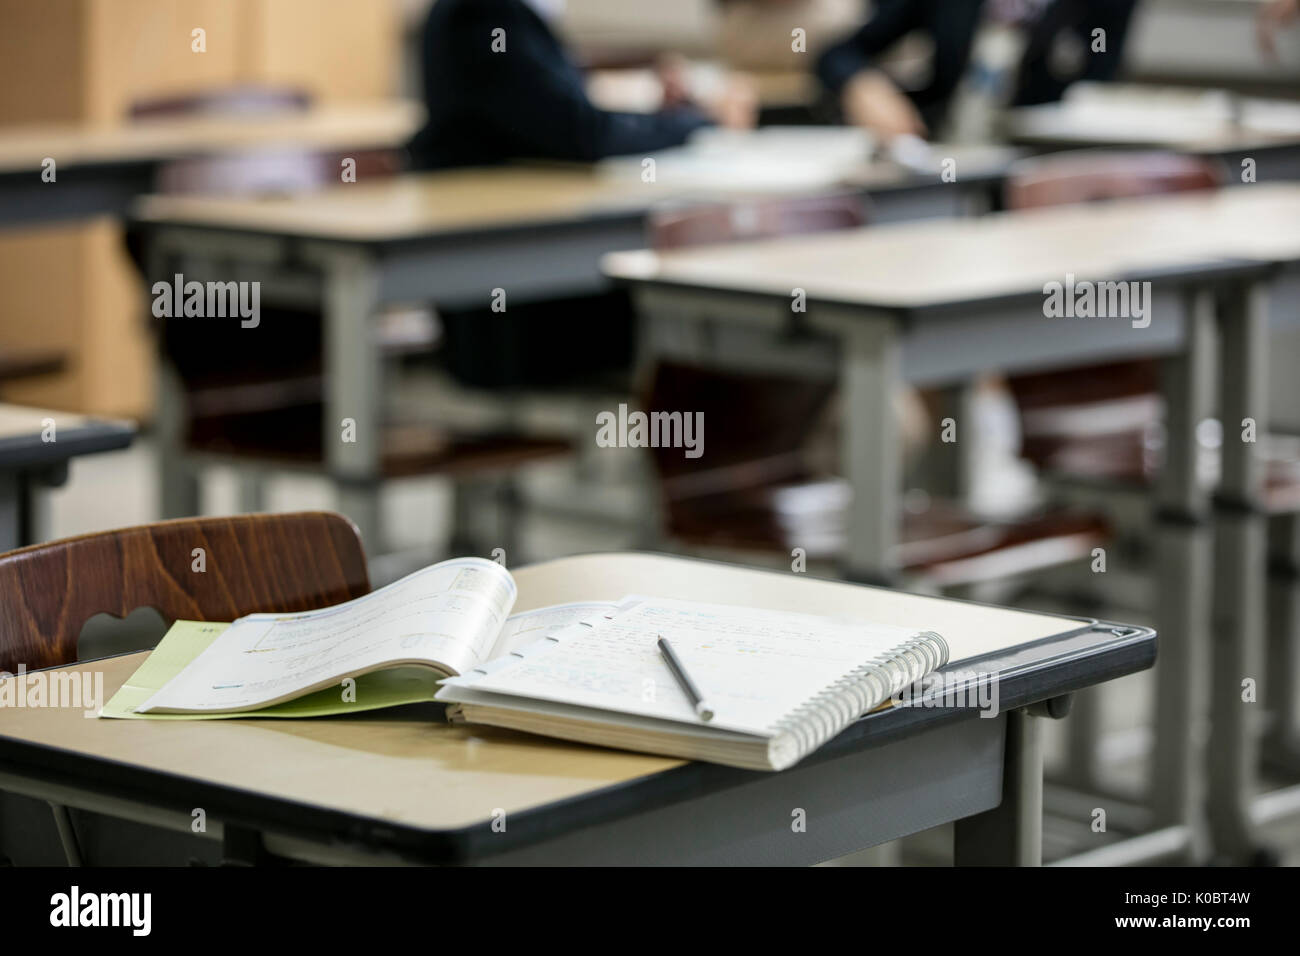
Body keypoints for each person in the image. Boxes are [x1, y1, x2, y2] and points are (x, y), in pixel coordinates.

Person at [408, 0, 756, 170]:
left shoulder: (504, 13)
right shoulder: (485, 13)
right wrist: (700, 118)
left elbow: (564, 107)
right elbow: (586, 133)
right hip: (503, 251)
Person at [815, 0, 1139, 142]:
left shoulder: (1101, 6)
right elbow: (838, 54)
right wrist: (862, 84)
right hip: (941, 160)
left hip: (1042, 179)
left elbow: (1097, 91)